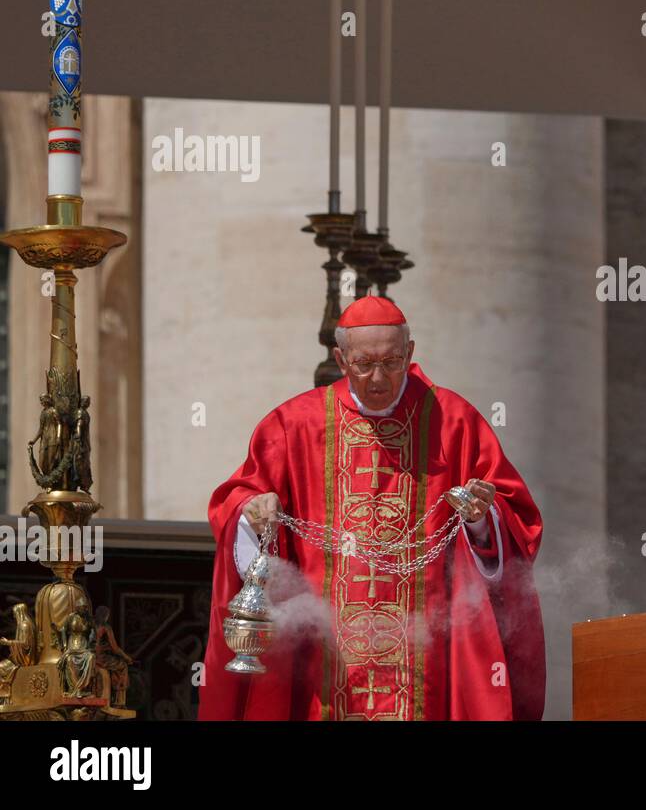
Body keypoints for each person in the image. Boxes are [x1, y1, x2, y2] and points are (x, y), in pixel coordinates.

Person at [198, 296, 545, 720]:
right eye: (364, 364)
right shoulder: (294, 425)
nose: (378, 377)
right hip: (322, 660)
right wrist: (253, 509)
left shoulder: (453, 421)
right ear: (341, 359)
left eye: (392, 361)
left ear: (410, 353)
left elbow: (516, 523)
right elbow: (235, 500)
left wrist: (480, 520)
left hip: (427, 658)